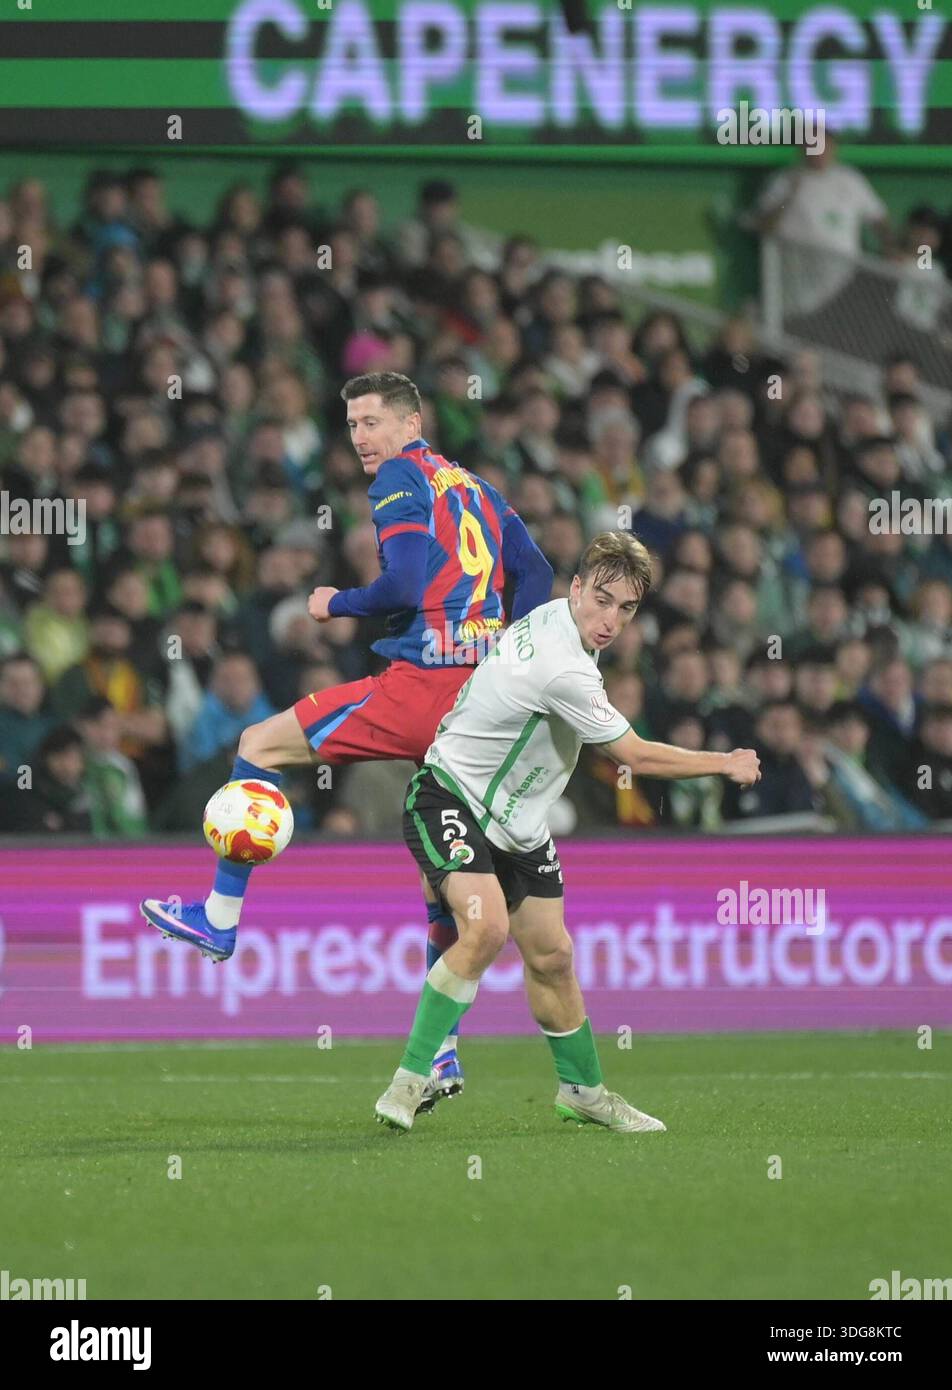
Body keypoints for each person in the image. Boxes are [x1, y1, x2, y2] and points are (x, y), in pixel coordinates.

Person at [140, 371, 552, 1103]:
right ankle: (445, 1050)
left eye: (371, 421)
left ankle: (219, 918)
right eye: (352, 423)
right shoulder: (478, 488)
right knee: (438, 866)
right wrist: (501, 653)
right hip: (479, 702)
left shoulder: (400, 477)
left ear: (410, 421)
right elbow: (536, 573)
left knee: (259, 745)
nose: (359, 436)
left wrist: (337, 602)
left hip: (420, 687)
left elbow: (399, 586)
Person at [375, 532, 761, 1134]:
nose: (611, 620)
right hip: (450, 797)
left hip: (519, 828)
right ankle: (409, 1080)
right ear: (576, 587)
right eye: (602, 600)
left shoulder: (557, 618)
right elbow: (634, 756)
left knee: (553, 957)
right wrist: (724, 762)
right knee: (488, 928)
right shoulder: (564, 670)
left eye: (626, 609)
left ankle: (583, 1092)